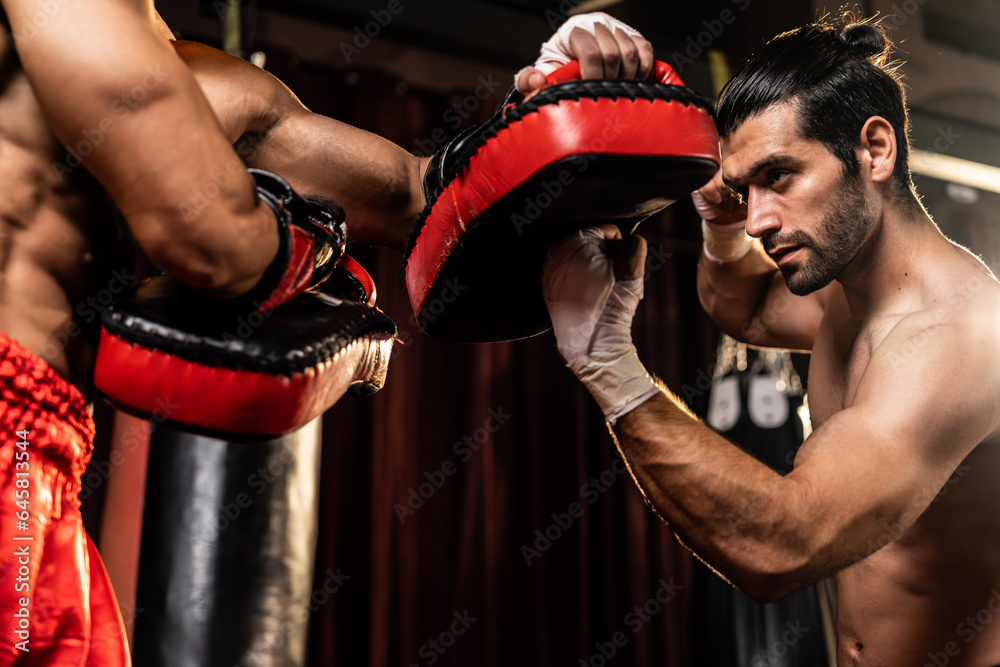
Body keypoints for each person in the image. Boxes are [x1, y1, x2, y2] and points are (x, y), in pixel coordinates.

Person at [0, 0, 650, 661]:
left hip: (34, 460)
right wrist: (307, 245)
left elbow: (421, 195)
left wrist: (557, 111)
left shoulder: (130, 45)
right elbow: (209, 240)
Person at [542, 16, 1000, 667]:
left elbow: (784, 545)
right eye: (743, 189)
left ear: (875, 150)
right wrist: (721, 231)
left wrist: (608, 364)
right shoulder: (848, 296)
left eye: (778, 177)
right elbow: (749, 310)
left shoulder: (962, 333)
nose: (758, 219)